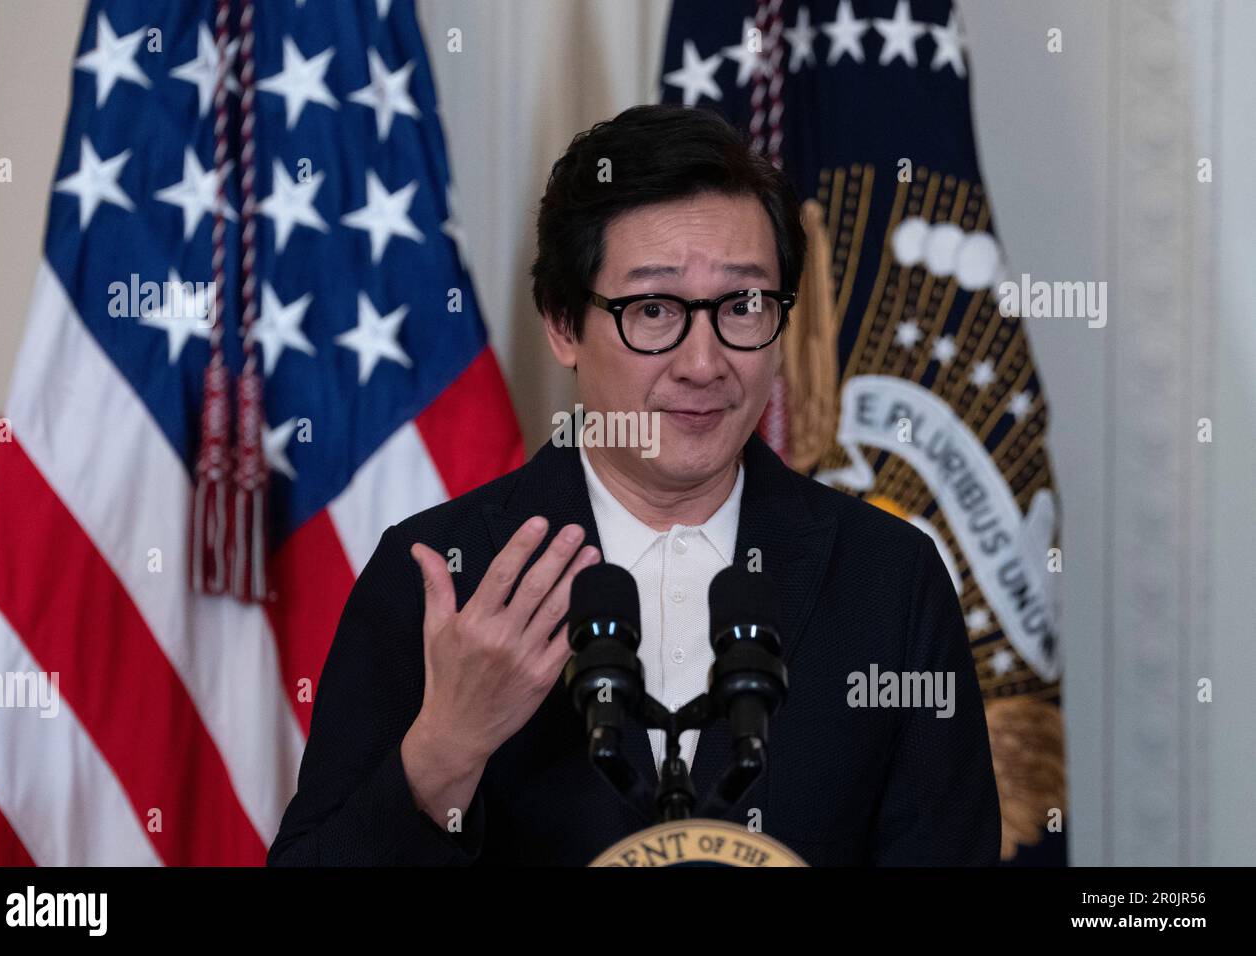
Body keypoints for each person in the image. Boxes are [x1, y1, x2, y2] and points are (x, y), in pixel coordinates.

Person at [268, 103, 1000, 866]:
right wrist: (446, 747)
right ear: (561, 323)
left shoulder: (888, 578)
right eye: (653, 310)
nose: (703, 363)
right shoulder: (442, 573)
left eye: (744, 306)